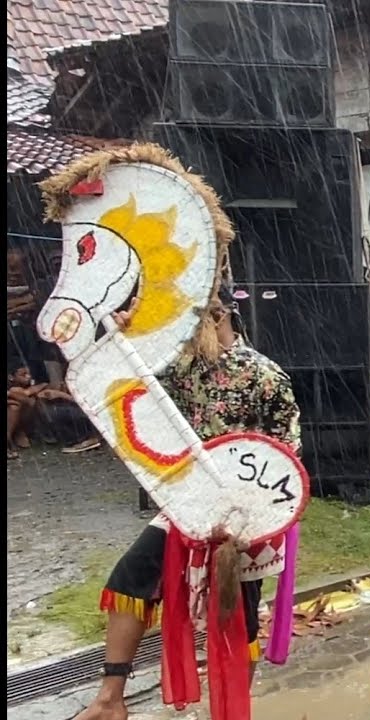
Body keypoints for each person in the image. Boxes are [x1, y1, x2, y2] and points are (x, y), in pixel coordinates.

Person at [74, 288, 301, 720]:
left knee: (236, 618)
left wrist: (250, 519)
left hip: (248, 519)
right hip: (187, 506)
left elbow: (288, 457)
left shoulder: (267, 377)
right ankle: (109, 698)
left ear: (217, 318)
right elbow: (127, 383)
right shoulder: (178, 369)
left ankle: (232, 710)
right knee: (131, 576)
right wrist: (124, 336)